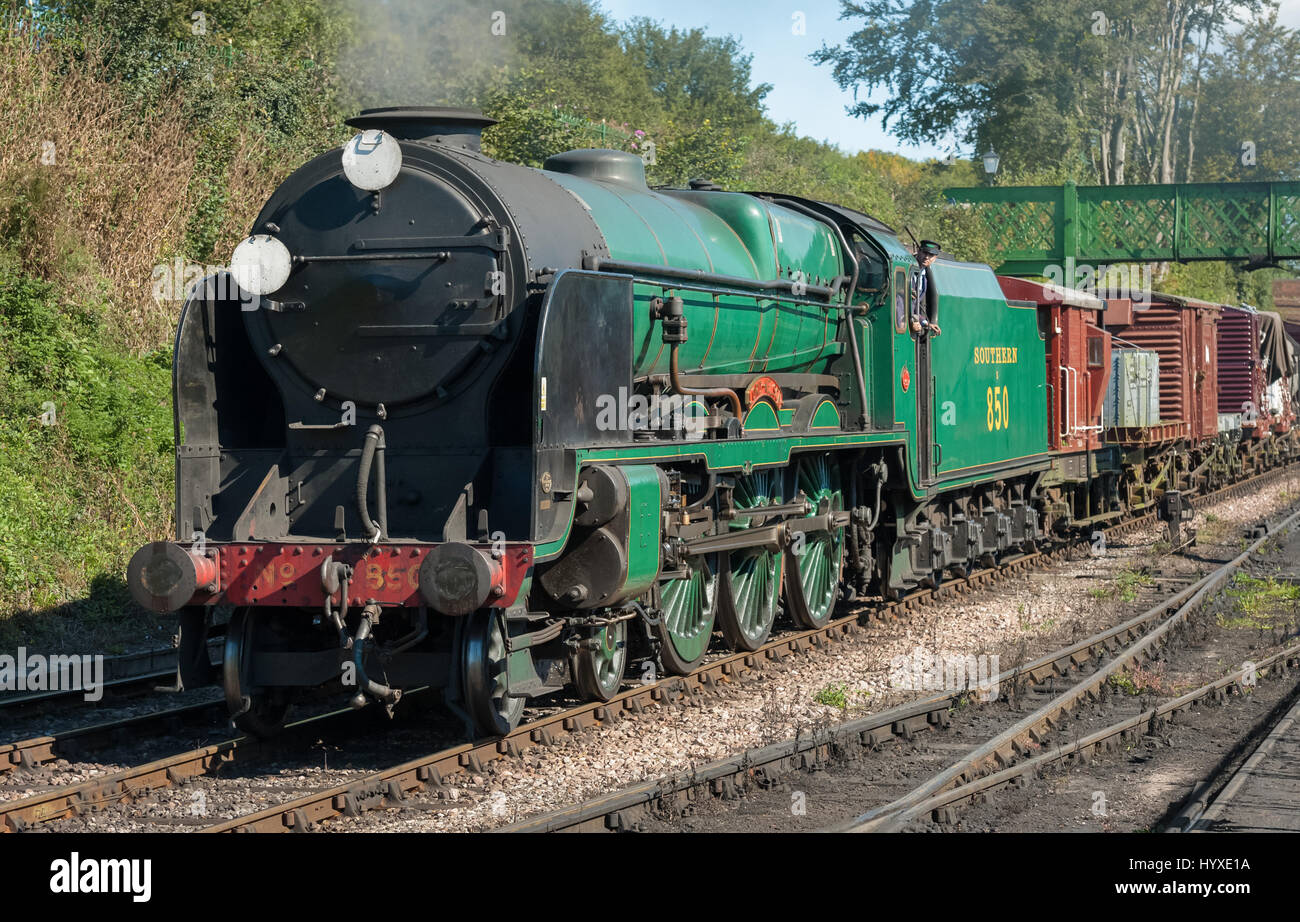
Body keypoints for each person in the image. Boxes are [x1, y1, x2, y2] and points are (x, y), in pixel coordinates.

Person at [910, 240, 943, 337]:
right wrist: (911, 321)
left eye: (931, 255)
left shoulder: (924, 277)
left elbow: (915, 306)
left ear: (935, 258)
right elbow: (900, 302)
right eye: (925, 252)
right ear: (919, 251)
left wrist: (926, 323)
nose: (927, 257)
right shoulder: (908, 271)